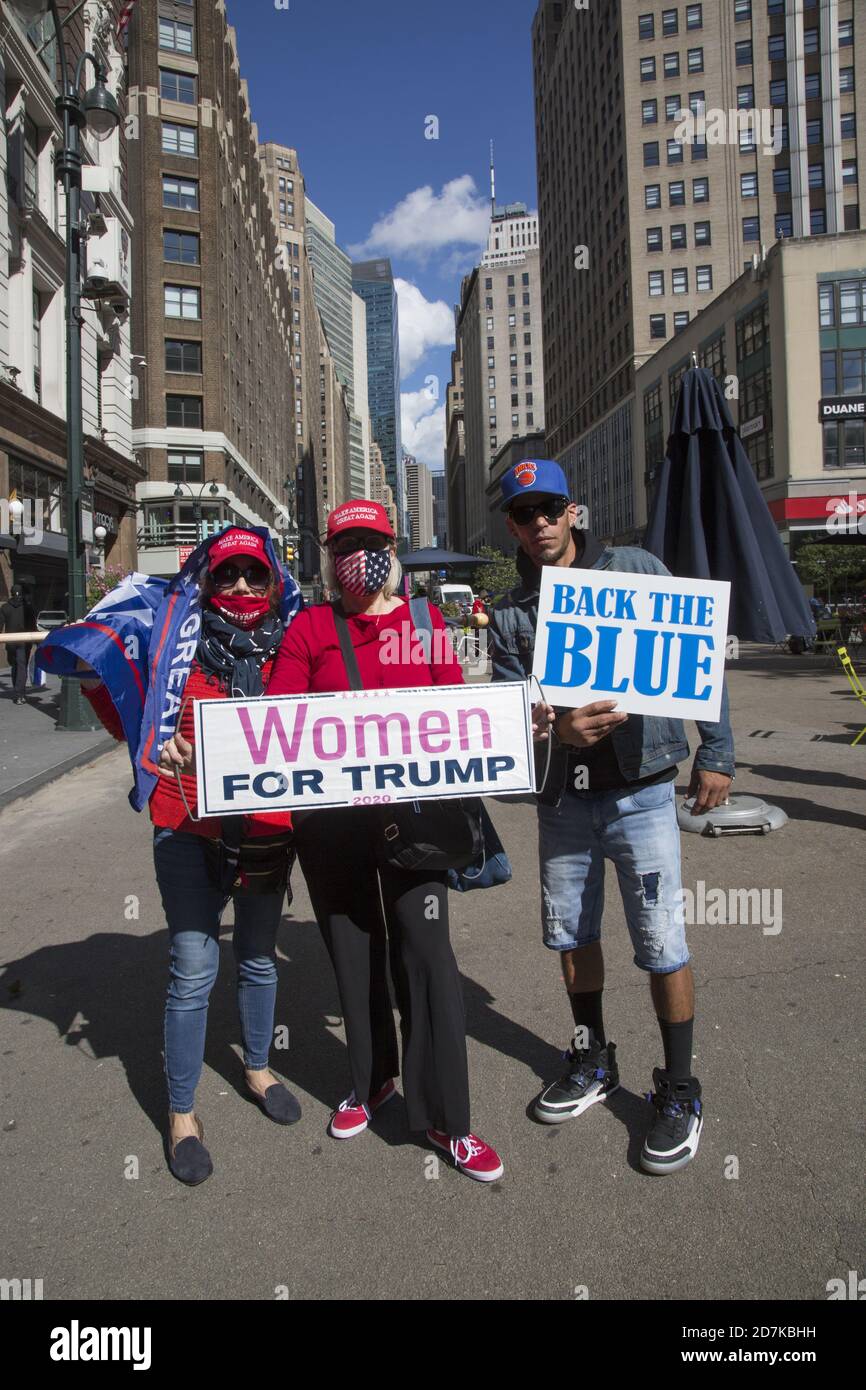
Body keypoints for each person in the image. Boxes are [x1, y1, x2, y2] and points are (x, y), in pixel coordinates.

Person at [488, 459, 735, 1175]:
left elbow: (700, 660)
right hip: (564, 799)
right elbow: (512, 720)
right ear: (513, 524)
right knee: (572, 935)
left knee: (662, 943)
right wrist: (553, 732)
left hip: (643, 789)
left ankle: (680, 1089)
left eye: (550, 509)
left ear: (573, 512)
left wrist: (714, 752)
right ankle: (593, 1056)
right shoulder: (509, 612)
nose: (539, 523)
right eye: (525, 513)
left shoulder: (635, 568)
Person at [267, 499, 504, 1183]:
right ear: (329, 553)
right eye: (346, 543)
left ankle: (449, 1120)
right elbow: (276, 721)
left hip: (416, 820)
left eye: (371, 542)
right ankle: (371, 1085)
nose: (359, 556)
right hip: (331, 823)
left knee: (428, 955)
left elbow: (459, 711)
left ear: (391, 548)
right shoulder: (309, 628)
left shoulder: (424, 625)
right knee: (353, 951)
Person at [76, 528, 302, 1185]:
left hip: (264, 828)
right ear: (206, 582)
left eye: (252, 576)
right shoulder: (171, 644)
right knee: (193, 967)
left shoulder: (289, 647)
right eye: (225, 575)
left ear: (271, 584)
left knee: (258, 957)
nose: (238, 587)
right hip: (185, 828)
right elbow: (130, 726)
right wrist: (103, 683)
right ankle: (182, 1115)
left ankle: (259, 1068)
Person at [1, 584, 37, 704]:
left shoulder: (5, 607)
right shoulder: (27, 607)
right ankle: (20, 694)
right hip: (24, 641)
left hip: (10, 641)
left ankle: (17, 691)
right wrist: (37, 641)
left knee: (15, 665)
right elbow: (32, 626)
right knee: (22, 666)